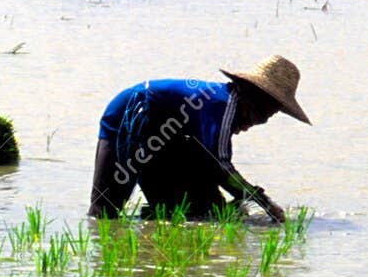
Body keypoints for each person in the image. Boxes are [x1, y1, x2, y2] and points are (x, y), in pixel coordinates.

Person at [88, 56, 310, 222]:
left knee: (200, 211)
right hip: (130, 117)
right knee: (104, 213)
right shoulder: (220, 105)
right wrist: (263, 202)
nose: (260, 121)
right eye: (264, 114)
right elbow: (221, 165)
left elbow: (209, 162)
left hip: (163, 136)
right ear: (252, 98)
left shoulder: (223, 103)